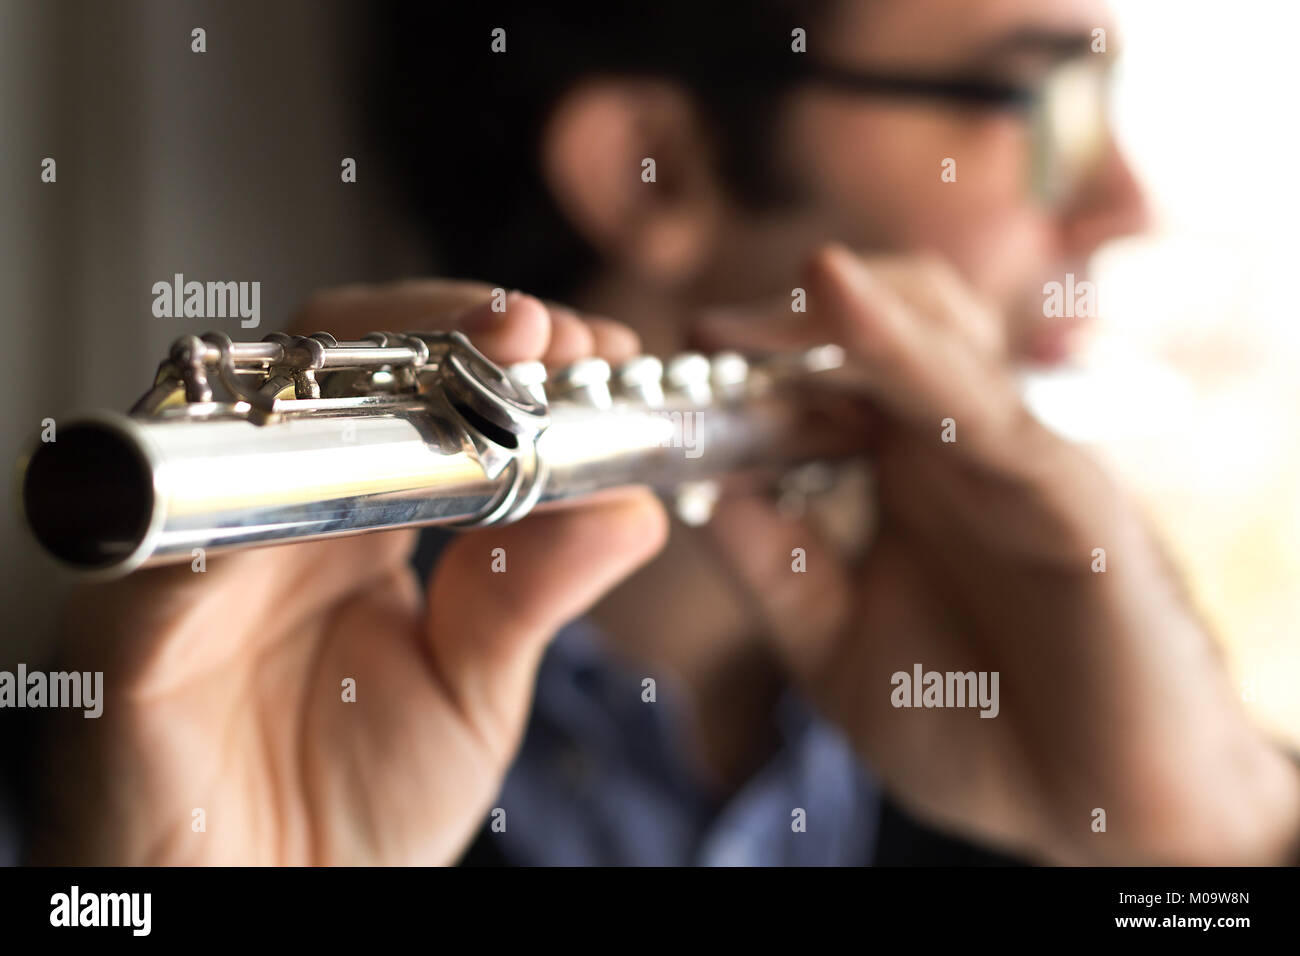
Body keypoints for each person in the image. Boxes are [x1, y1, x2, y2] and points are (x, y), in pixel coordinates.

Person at [24, 0, 1300, 865]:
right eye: (1041, 100)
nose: (1124, 202)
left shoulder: (1036, 731)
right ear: (654, 163)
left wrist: (1214, 835)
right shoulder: (114, 771)